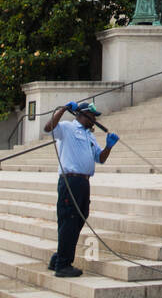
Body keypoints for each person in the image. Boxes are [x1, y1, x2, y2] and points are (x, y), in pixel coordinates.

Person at [43, 101, 119, 278]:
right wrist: (63, 109)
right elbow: (48, 128)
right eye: (92, 116)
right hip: (70, 181)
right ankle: (63, 264)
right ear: (82, 115)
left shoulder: (89, 136)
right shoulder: (67, 128)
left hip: (84, 183)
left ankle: (59, 257)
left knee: (79, 218)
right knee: (69, 219)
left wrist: (108, 147)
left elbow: (100, 158)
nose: (94, 120)